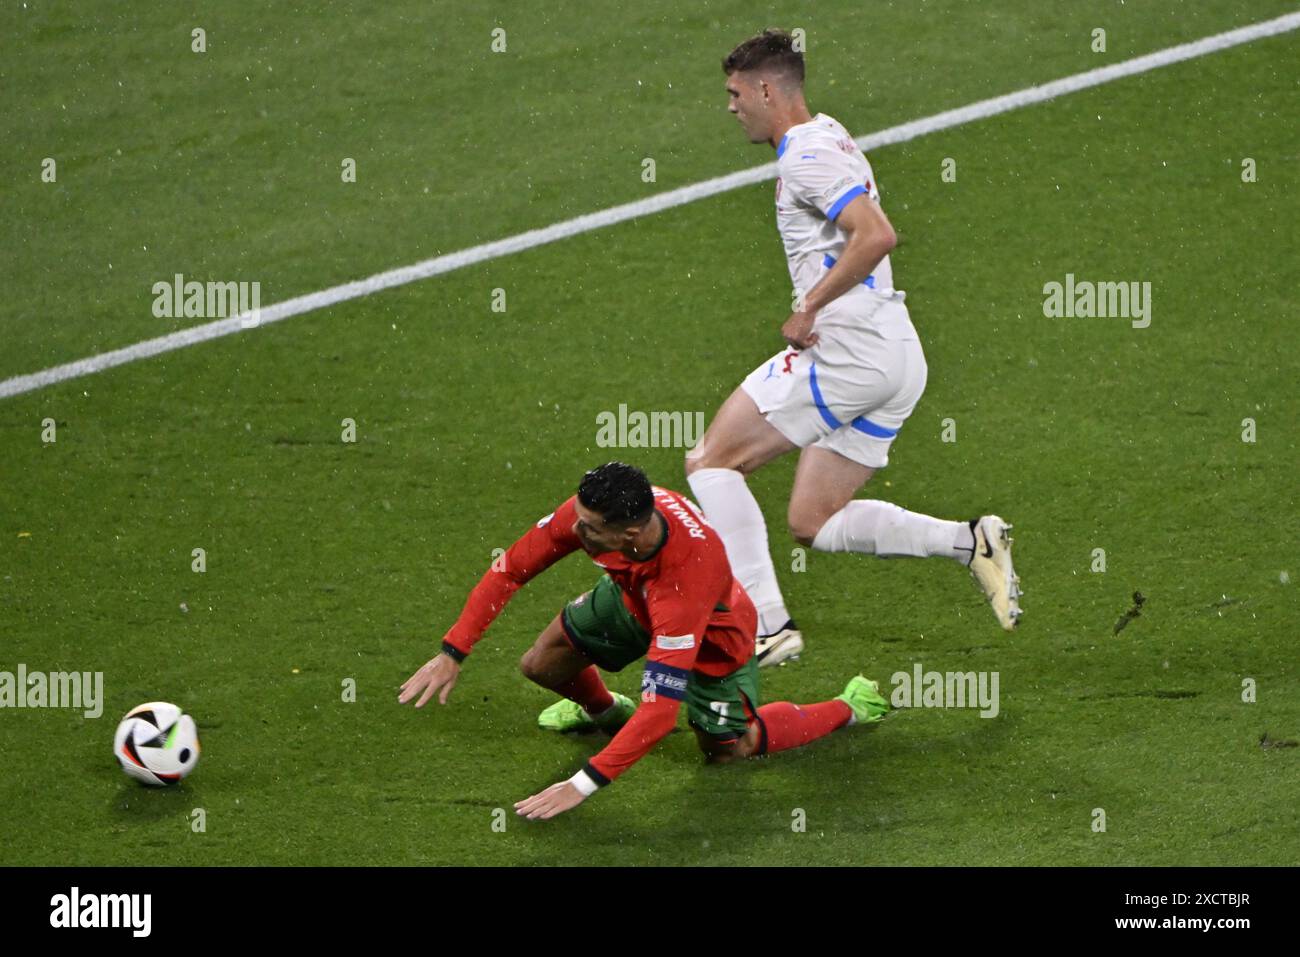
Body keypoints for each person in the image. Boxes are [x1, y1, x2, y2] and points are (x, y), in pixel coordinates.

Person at [684, 29, 1022, 667]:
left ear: (764, 88)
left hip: (850, 350)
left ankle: (765, 626)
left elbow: (875, 234)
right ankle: (968, 542)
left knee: (712, 462)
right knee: (812, 520)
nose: (730, 107)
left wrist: (807, 306)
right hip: (895, 354)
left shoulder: (804, 157)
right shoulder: (827, 133)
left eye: (734, 93)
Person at [398, 462, 889, 820]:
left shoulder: (686, 578)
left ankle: (849, 706)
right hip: (633, 598)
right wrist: (452, 652)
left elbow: (660, 713)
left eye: (588, 529)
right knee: (541, 666)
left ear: (628, 534)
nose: (575, 530)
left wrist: (582, 783)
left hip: (708, 639)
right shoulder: (604, 514)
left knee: (730, 750)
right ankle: (606, 712)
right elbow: (510, 570)